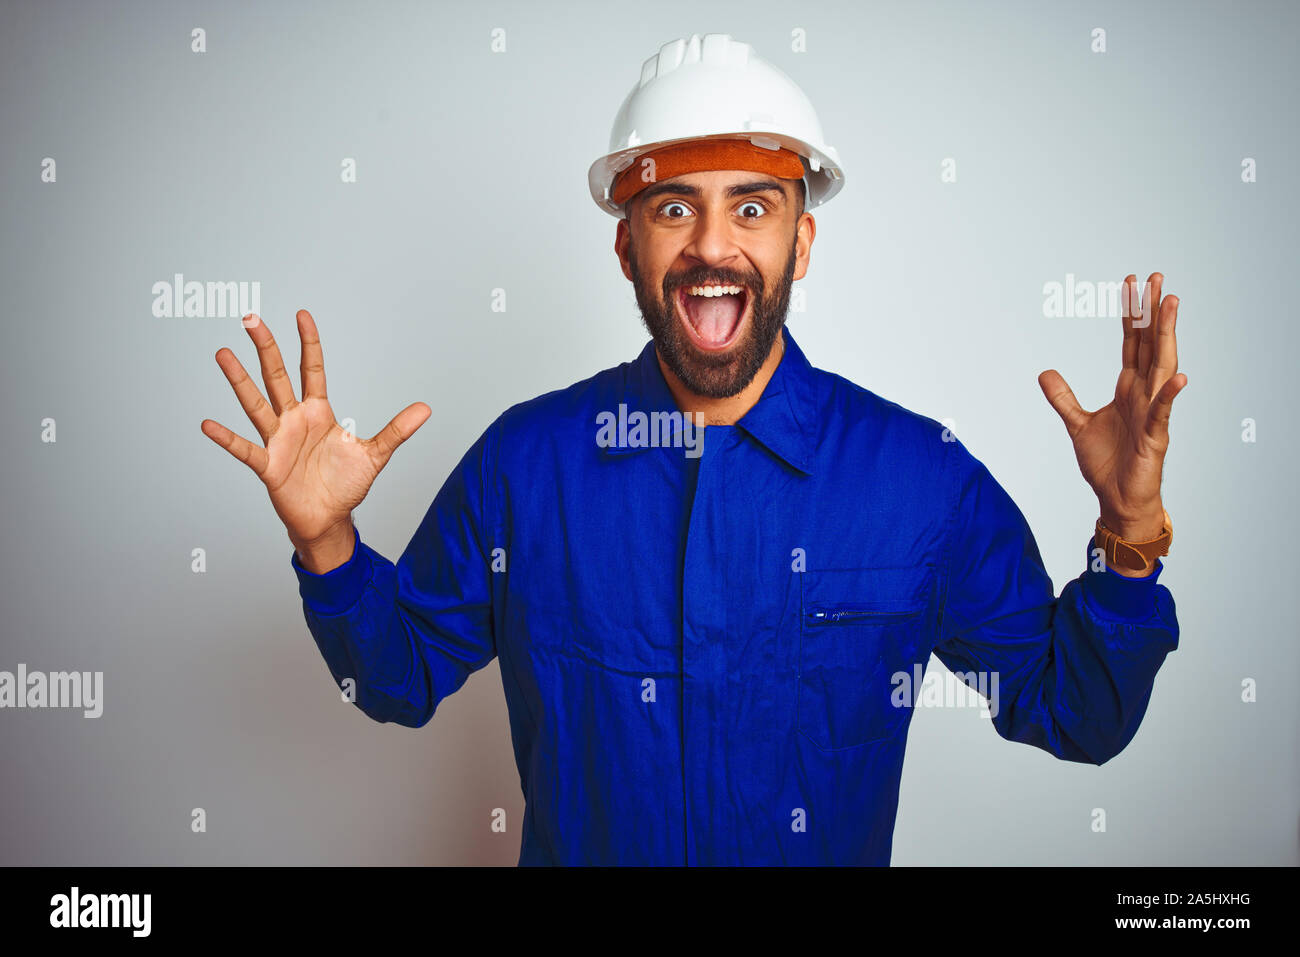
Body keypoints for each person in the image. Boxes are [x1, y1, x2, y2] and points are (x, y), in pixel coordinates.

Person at [201, 33, 1186, 865]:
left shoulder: (920, 485)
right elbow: (393, 678)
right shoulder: (524, 468)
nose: (712, 246)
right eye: (673, 207)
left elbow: (1078, 714)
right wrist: (328, 540)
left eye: (752, 207)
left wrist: (1129, 531)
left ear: (800, 244)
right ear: (627, 246)